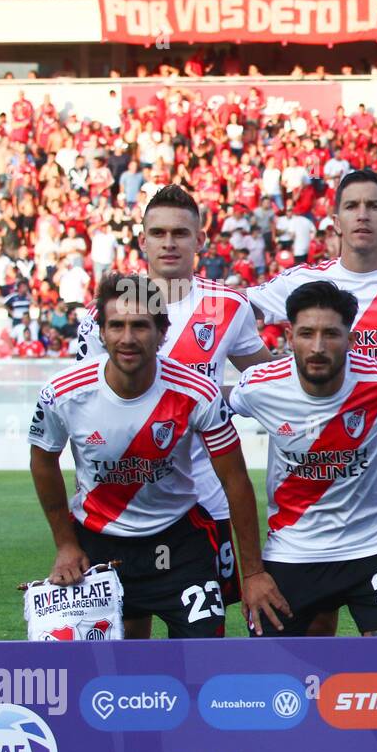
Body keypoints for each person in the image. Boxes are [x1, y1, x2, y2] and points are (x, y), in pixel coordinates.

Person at [246, 169, 377, 634]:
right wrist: (272, 378)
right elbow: (226, 314)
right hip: (317, 474)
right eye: (352, 206)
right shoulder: (301, 283)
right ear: (335, 220)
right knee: (317, 622)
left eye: (373, 206)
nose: (363, 214)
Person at [30, 274, 287, 638]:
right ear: (101, 333)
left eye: (140, 325)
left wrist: (255, 572)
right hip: (97, 542)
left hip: (180, 541)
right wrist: (65, 544)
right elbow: (43, 461)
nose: (128, 337)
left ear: (162, 332)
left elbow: (236, 481)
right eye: (116, 325)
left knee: (203, 657)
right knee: (107, 670)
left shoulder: (197, 392)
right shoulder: (63, 392)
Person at [76, 185, 274, 610]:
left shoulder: (229, 306)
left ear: (200, 240)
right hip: (129, 504)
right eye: (159, 232)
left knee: (206, 629)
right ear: (142, 239)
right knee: (129, 627)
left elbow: (268, 381)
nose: (169, 243)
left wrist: (227, 398)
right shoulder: (108, 313)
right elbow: (84, 402)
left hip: (208, 498)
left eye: (181, 233)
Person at [229, 280, 377, 635]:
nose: (317, 347)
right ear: (289, 336)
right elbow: (202, 406)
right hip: (293, 552)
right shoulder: (259, 386)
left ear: (351, 340)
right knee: (278, 677)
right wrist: (252, 574)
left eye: (330, 334)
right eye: (306, 333)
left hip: (375, 547)